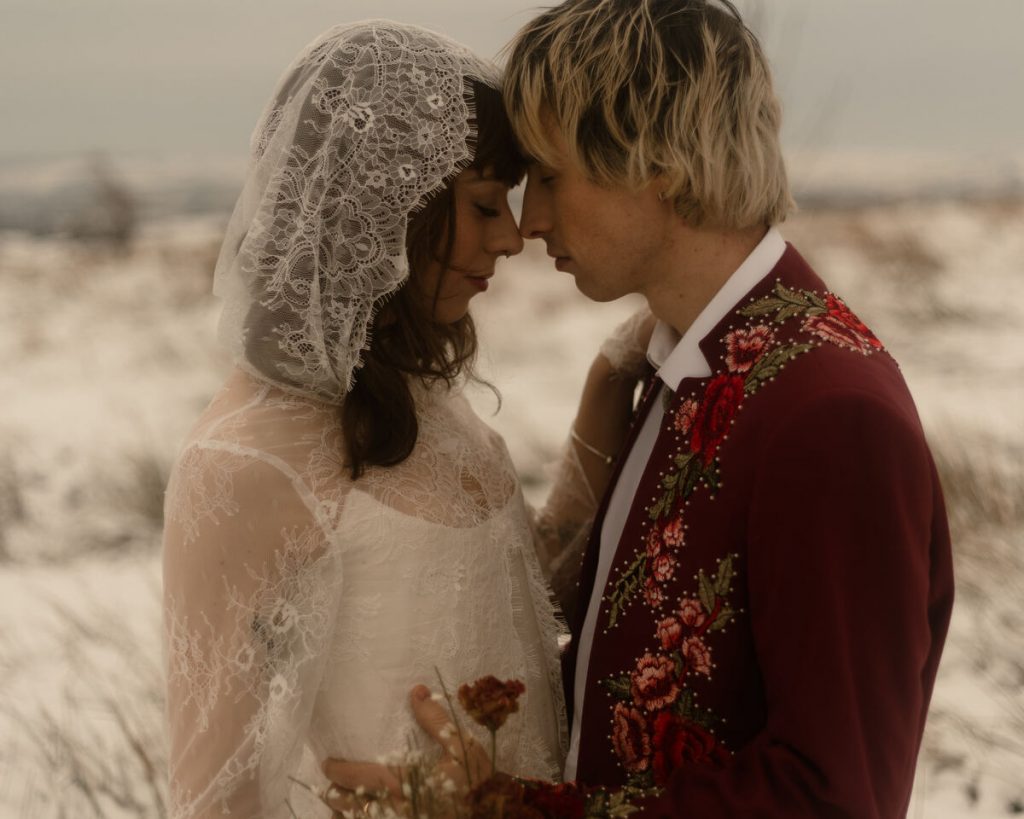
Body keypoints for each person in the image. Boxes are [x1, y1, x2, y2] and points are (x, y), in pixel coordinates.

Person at [322, 1, 955, 816]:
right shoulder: (676, 366)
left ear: (655, 159)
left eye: (549, 177)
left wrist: (509, 810)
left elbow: (833, 797)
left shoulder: (827, 415)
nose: (531, 220)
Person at [161, 20, 649, 818]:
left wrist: (607, 381)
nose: (511, 237)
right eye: (486, 203)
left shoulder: (426, 405)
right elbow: (215, 799)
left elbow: (526, 594)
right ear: (385, 205)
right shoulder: (244, 460)